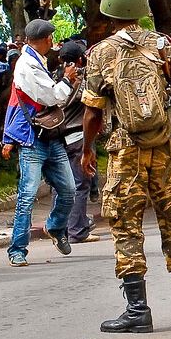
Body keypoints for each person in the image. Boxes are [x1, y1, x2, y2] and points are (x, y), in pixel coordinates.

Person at [80, 0, 171, 332]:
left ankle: (138, 311)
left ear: (109, 11)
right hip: (165, 147)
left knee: (126, 225)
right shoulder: (163, 45)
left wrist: (88, 150)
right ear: (142, 10)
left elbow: (92, 112)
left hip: (126, 150)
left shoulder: (100, 53)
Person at [1, 19, 77, 267]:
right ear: (46, 40)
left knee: (69, 189)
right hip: (33, 140)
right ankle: (17, 249)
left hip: (50, 137)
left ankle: (54, 226)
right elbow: (53, 96)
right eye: (51, 38)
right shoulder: (27, 65)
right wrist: (67, 80)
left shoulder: (37, 61)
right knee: (27, 196)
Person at [56, 41, 99, 243]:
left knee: (62, 185)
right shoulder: (82, 81)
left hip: (58, 138)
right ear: (80, 60)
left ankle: (60, 228)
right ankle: (77, 230)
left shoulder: (55, 79)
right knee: (81, 184)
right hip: (78, 137)